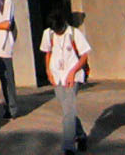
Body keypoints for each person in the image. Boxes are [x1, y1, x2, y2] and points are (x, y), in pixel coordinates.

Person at [40, 9, 91, 154]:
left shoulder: (74, 33)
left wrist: (72, 73)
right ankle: (80, 135)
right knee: (67, 110)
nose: (58, 32)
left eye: (60, 29)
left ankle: (69, 147)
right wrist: (48, 72)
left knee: (68, 111)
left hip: (73, 76)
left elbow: (84, 56)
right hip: (57, 76)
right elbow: (47, 53)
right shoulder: (48, 34)